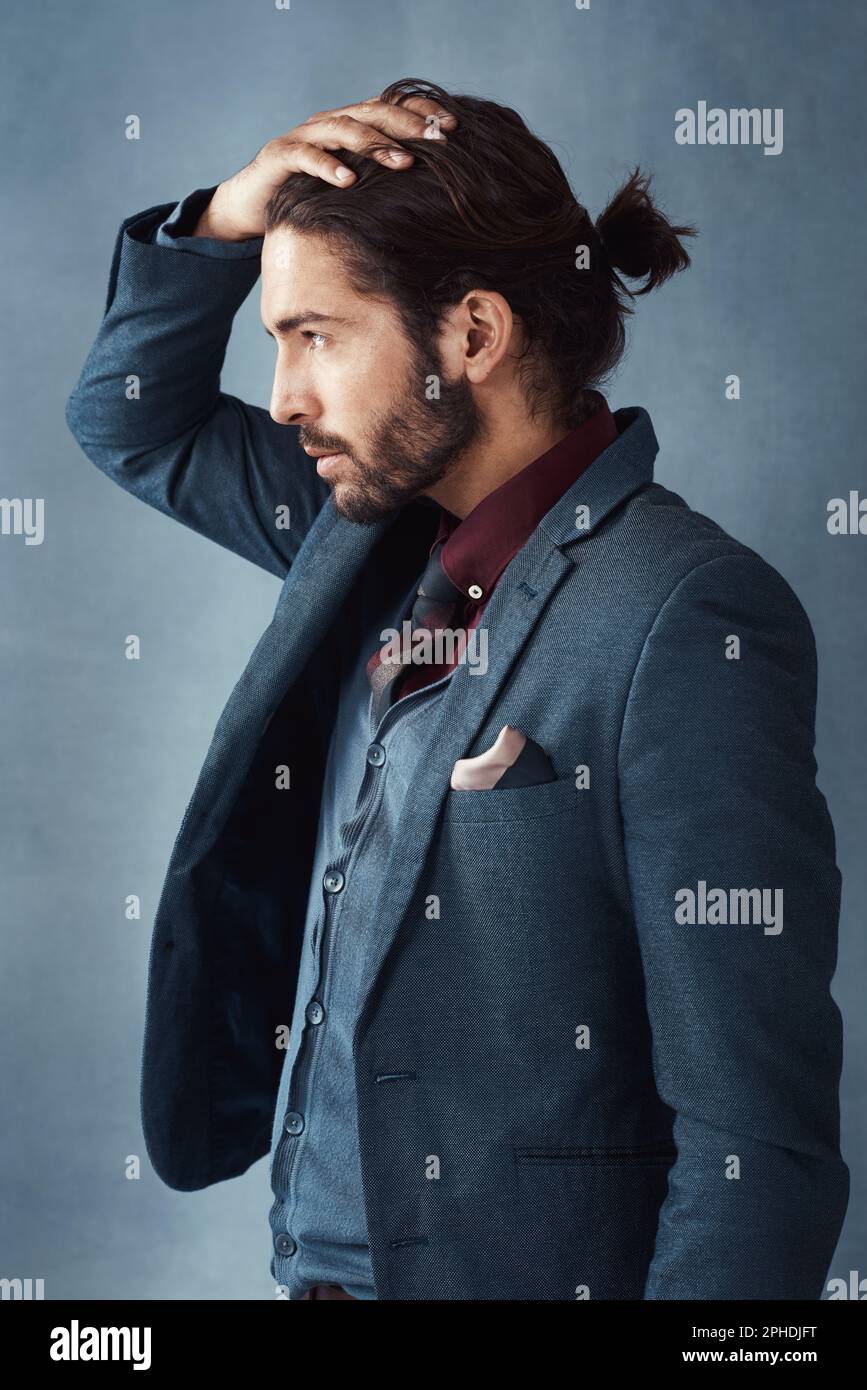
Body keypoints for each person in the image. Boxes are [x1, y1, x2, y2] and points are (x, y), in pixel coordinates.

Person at [65, 77, 848, 1301]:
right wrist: (225, 218)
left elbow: (759, 1148)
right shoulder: (360, 530)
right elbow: (130, 424)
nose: (283, 398)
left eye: (315, 335)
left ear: (472, 336)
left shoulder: (688, 618)